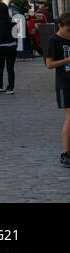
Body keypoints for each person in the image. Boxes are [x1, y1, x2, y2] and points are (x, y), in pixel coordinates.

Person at [43, 11, 70, 168]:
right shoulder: (54, 41)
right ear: (60, 26)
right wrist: (67, 60)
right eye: (68, 30)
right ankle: (65, 153)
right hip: (64, 83)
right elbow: (49, 64)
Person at [0, 2, 18, 93]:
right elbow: (16, 34)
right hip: (11, 46)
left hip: (0, 47)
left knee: (0, 66)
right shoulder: (11, 20)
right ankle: (11, 87)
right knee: (10, 68)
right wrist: (15, 44)